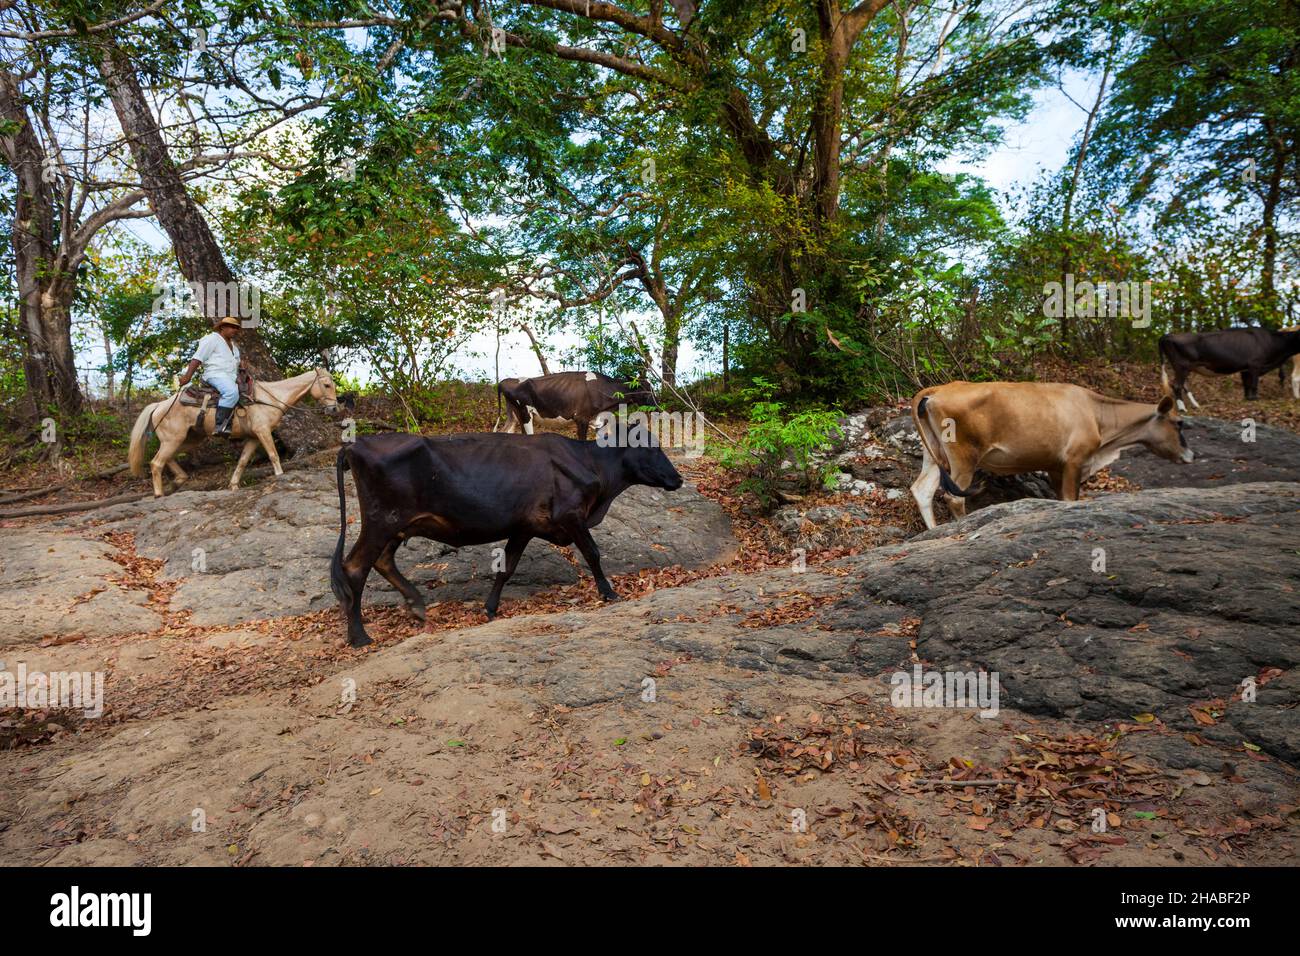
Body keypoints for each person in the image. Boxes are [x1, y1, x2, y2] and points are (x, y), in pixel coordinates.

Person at [178, 317, 246, 436]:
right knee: (231, 392)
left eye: (236, 328)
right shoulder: (212, 339)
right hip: (215, 374)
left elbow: (237, 366)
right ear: (222, 327)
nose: (234, 330)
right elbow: (198, 358)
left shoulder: (234, 347)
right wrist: (187, 376)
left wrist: (242, 368)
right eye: (231, 327)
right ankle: (221, 426)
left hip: (230, 378)